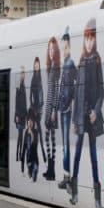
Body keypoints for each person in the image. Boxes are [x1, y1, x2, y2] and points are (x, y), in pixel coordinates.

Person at [69, 18, 104, 208]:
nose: (89, 43)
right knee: (76, 155)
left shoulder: (97, 60)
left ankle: (97, 200)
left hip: (92, 116)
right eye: (87, 39)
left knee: (93, 156)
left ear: (95, 40)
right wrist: (76, 120)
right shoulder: (81, 61)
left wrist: (95, 111)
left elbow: (101, 91)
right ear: (84, 40)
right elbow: (77, 92)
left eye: (92, 39)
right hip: (81, 116)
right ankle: (74, 193)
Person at [58, 27, 77, 190]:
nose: (63, 51)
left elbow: (74, 85)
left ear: (69, 47)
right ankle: (66, 175)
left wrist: (71, 103)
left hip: (65, 110)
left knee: (65, 144)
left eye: (65, 47)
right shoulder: (65, 63)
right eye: (62, 48)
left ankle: (67, 177)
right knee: (64, 144)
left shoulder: (69, 64)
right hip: (62, 108)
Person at [43, 37, 61, 181]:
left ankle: (52, 170)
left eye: (53, 49)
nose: (51, 51)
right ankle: (50, 169)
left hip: (52, 108)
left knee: (51, 139)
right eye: (49, 49)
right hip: (48, 107)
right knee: (48, 138)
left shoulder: (56, 68)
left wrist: (55, 110)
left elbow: (57, 90)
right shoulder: (50, 68)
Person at [14, 67, 27, 172]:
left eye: (24, 74)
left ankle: (19, 154)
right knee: (20, 136)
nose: (23, 75)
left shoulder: (23, 86)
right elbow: (17, 101)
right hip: (19, 116)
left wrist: (26, 116)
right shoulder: (19, 86)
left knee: (21, 136)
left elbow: (25, 103)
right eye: (22, 74)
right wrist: (17, 115)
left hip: (23, 116)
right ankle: (18, 154)